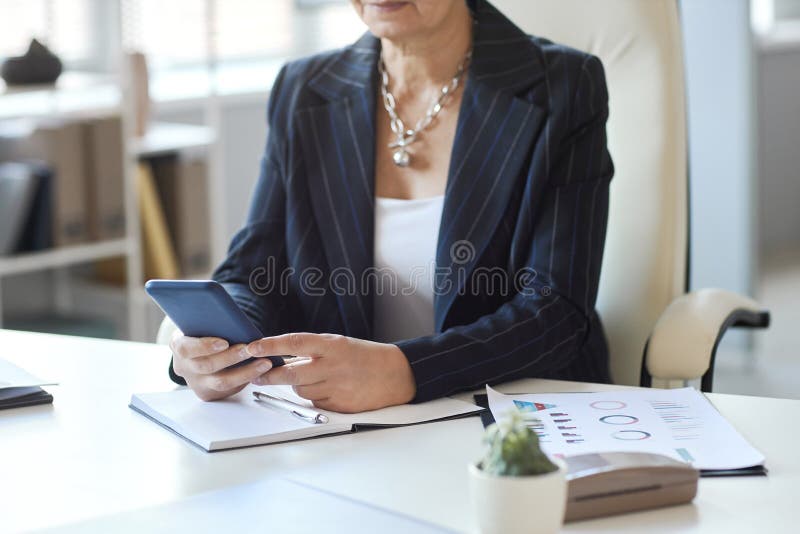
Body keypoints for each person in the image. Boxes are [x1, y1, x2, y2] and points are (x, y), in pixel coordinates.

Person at [168, 0, 614, 413]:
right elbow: (253, 273)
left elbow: (557, 310)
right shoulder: (304, 89)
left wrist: (407, 370)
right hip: (345, 430)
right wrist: (214, 349)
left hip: (518, 416)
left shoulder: (564, 85)